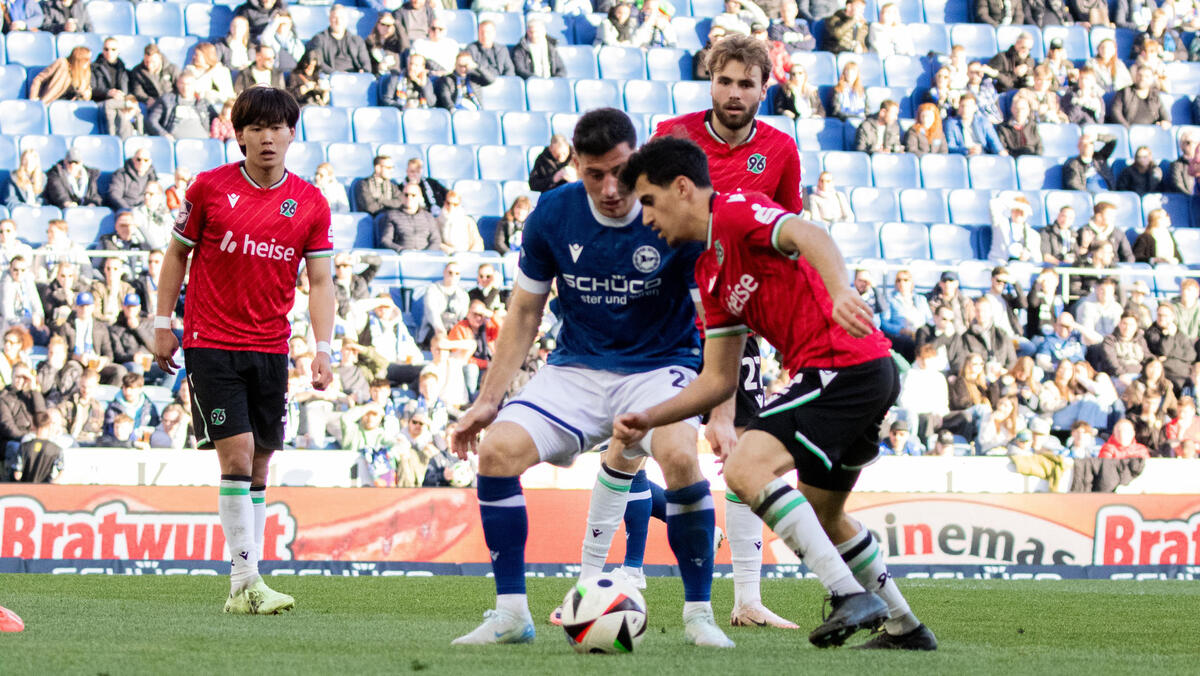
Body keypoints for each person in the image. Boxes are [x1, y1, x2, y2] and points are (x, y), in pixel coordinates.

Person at [615, 135, 936, 650]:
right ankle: (906, 629)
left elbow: (809, 233)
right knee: (825, 514)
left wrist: (839, 292)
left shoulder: (738, 212)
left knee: (744, 470)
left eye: (647, 202)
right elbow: (717, 380)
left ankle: (849, 595)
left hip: (843, 365)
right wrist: (648, 417)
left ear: (681, 189)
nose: (645, 218)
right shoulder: (709, 273)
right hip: (850, 374)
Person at [448, 110, 734, 649]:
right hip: (577, 368)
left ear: (639, 160)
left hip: (660, 365)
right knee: (497, 451)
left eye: (621, 172)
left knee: (677, 456)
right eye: (593, 174)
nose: (609, 189)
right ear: (574, 166)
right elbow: (525, 312)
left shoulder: (674, 215)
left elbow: (715, 321)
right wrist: (489, 400)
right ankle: (511, 614)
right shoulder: (552, 215)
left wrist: (721, 413)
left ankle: (700, 615)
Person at [151, 87, 335, 615]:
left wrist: (323, 347)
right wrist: (163, 322)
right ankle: (246, 581)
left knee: (259, 464)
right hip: (211, 343)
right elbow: (176, 255)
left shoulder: (310, 203)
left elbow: (320, 281)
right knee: (235, 456)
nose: (267, 137)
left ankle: (246, 582)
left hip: (272, 348)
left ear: (292, 134)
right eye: (255, 127)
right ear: (239, 135)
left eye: (277, 127)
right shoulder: (210, 188)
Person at [147, 74, 218, 142]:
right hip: (175, 143)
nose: (185, 87)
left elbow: (218, 120)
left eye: (189, 84)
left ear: (194, 85)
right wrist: (164, 134)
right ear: (177, 84)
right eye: (182, 84)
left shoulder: (204, 104)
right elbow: (152, 120)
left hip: (203, 144)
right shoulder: (167, 100)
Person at [304, 3, 372, 74]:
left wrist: (363, 71)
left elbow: (366, 63)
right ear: (330, 19)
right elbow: (319, 62)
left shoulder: (357, 40)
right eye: (335, 18)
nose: (338, 21)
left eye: (341, 18)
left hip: (355, 77)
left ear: (346, 20)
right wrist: (337, 74)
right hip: (331, 78)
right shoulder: (319, 39)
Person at [377, 181, 443, 252]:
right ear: (402, 196)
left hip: (426, 258)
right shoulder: (391, 215)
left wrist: (426, 254)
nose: (409, 197)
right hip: (403, 258)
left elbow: (436, 240)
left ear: (420, 197)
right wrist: (402, 251)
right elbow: (386, 241)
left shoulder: (428, 217)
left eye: (413, 195)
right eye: (406, 195)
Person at [988, 193, 1039, 262]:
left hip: (1020, 267)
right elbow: (993, 203)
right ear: (1011, 209)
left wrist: (1029, 255)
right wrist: (1019, 205)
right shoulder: (1000, 224)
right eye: (1016, 210)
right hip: (999, 265)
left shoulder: (1033, 235)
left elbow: (1038, 260)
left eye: (1021, 212)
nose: (1018, 213)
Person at [1163, 131, 1197, 195]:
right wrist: (1192, 198)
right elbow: (1177, 185)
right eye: (1188, 142)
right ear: (1181, 145)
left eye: (1196, 142)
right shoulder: (1177, 165)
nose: (1193, 145)